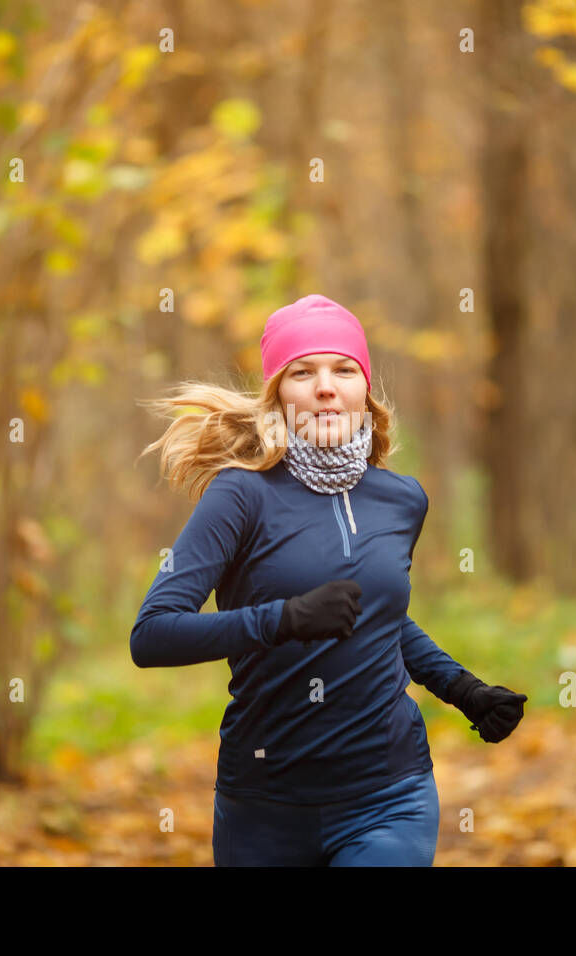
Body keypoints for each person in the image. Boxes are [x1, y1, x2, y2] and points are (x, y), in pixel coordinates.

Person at [130, 293, 527, 866]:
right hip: (263, 804)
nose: (325, 386)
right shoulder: (240, 496)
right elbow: (153, 635)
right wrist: (282, 620)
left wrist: (462, 690)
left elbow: (379, 618)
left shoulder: (401, 500)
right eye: (302, 372)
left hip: (389, 795)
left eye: (344, 369)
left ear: (363, 388)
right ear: (278, 396)